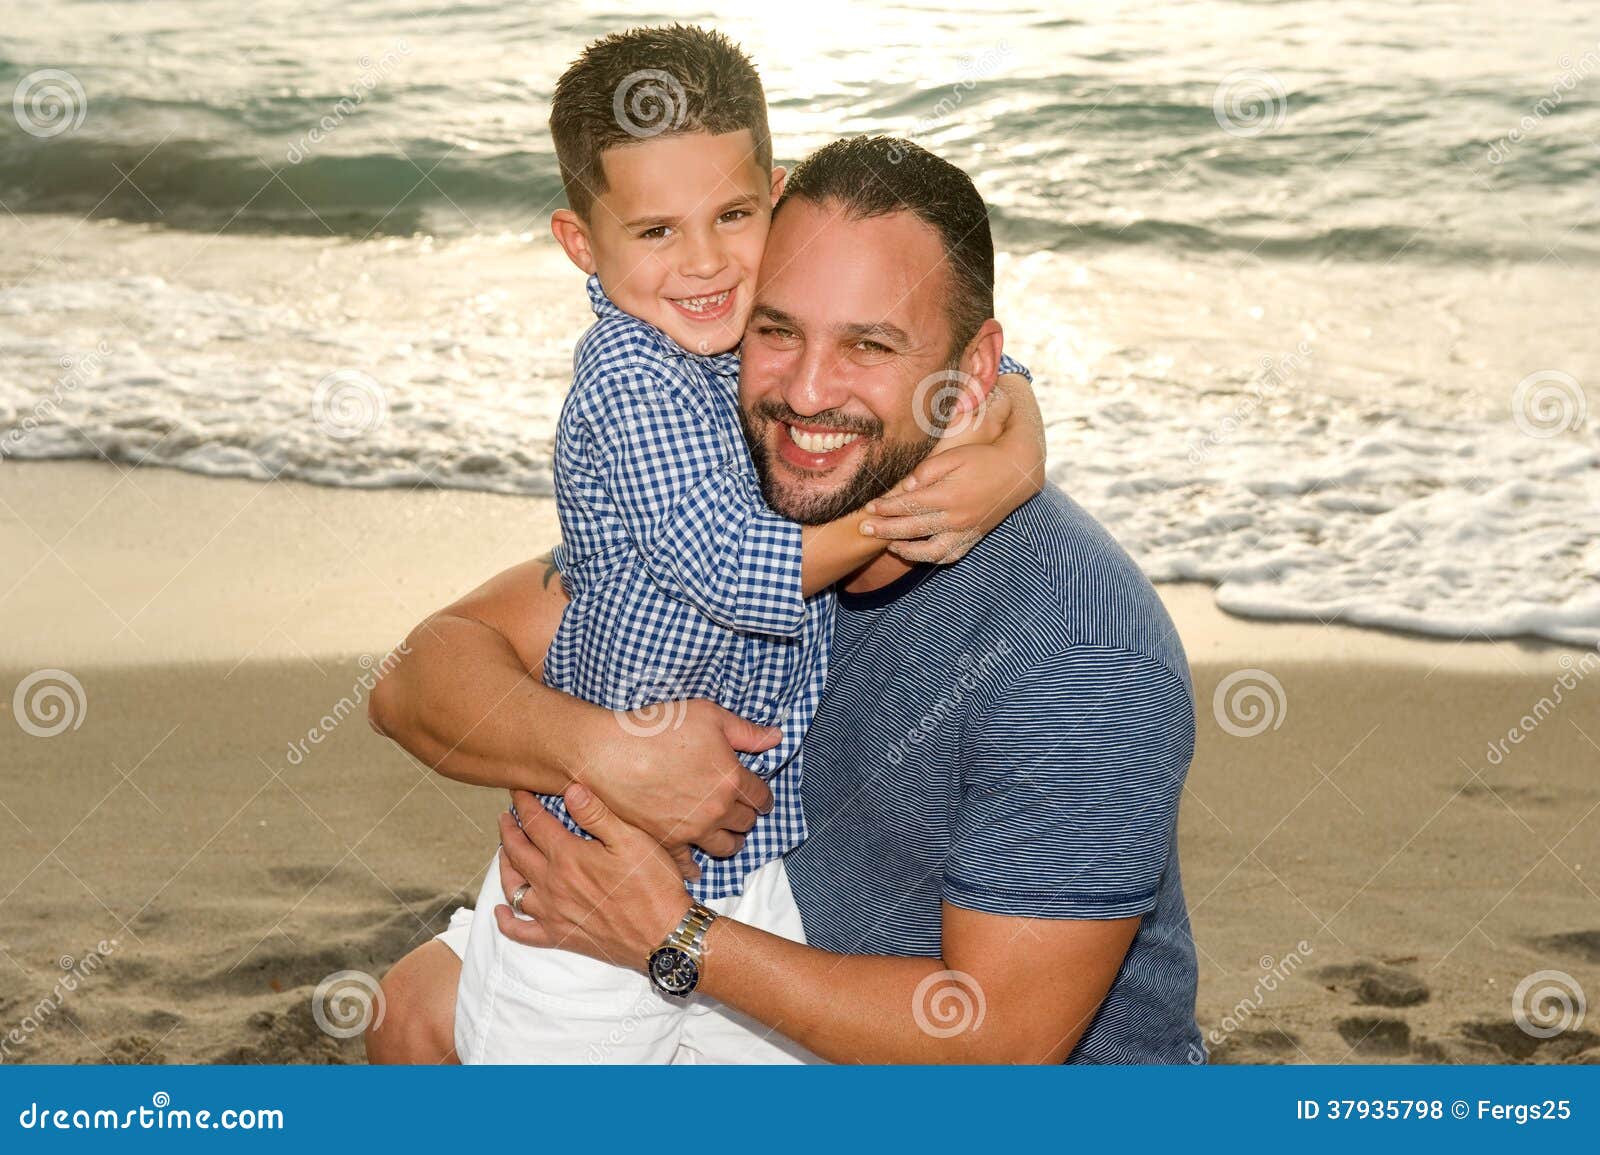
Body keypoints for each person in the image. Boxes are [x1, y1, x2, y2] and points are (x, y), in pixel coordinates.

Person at [366, 131, 1203, 1065]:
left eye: (868, 345)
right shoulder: (748, 519)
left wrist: (671, 934)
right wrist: (606, 753)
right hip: (779, 986)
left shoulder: (1074, 649)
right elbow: (414, 681)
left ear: (972, 372)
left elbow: (997, 1041)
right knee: (417, 1008)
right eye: (776, 329)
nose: (806, 391)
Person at [420, 25, 1043, 1064]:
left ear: (778, 200)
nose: (707, 262)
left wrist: (1012, 409)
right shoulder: (634, 379)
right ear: (582, 243)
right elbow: (727, 563)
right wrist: (904, 514)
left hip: (741, 855)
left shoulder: (745, 323)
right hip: (597, 857)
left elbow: (906, 337)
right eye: (656, 231)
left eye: (735, 216)